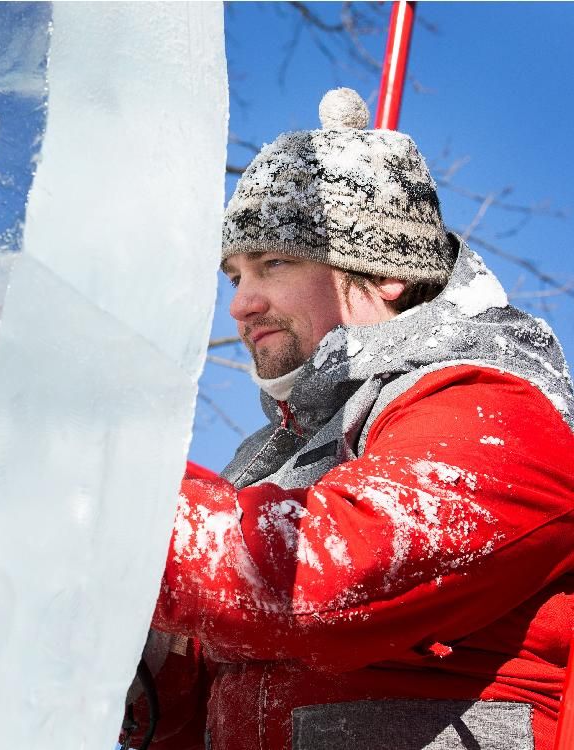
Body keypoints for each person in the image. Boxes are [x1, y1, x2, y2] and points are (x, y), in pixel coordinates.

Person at [121, 88, 574, 750]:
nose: (241, 303)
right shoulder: (273, 460)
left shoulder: (500, 415)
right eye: (234, 276)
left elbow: (322, 574)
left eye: (273, 262)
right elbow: (207, 706)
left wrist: (95, 503)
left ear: (385, 271)